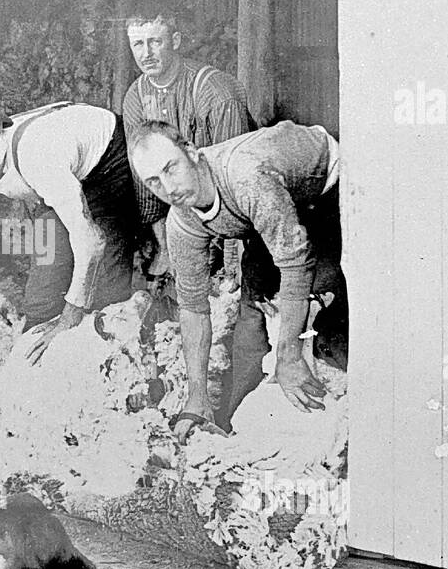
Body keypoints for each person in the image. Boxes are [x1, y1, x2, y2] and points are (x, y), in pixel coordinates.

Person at [127, 119, 344, 439]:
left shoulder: (244, 177)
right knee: (251, 320)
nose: (168, 188)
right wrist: (196, 396)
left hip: (325, 188)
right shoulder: (181, 222)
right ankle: (234, 422)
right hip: (261, 213)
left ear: (191, 151)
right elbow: (193, 308)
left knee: (324, 315)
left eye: (171, 168)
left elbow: (297, 264)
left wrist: (289, 357)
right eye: (154, 182)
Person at [0, 85, 141, 380]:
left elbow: (91, 241)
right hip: (53, 187)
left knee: (104, 298)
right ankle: (35, 382)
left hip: (105, 161)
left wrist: (71, 315)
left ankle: (100, 380)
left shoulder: (36, 154)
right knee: (41, 301)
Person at [122, 7, 254, 277]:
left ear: (176, 41)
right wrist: (168, 248)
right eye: (138, 44)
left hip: (235, 217)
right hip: (184, 221)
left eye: (155, 42)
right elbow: (146, 184)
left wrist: (228, 259)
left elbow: (235, 180)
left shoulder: (215, 92)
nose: (146, 53)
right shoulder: (135, 98)